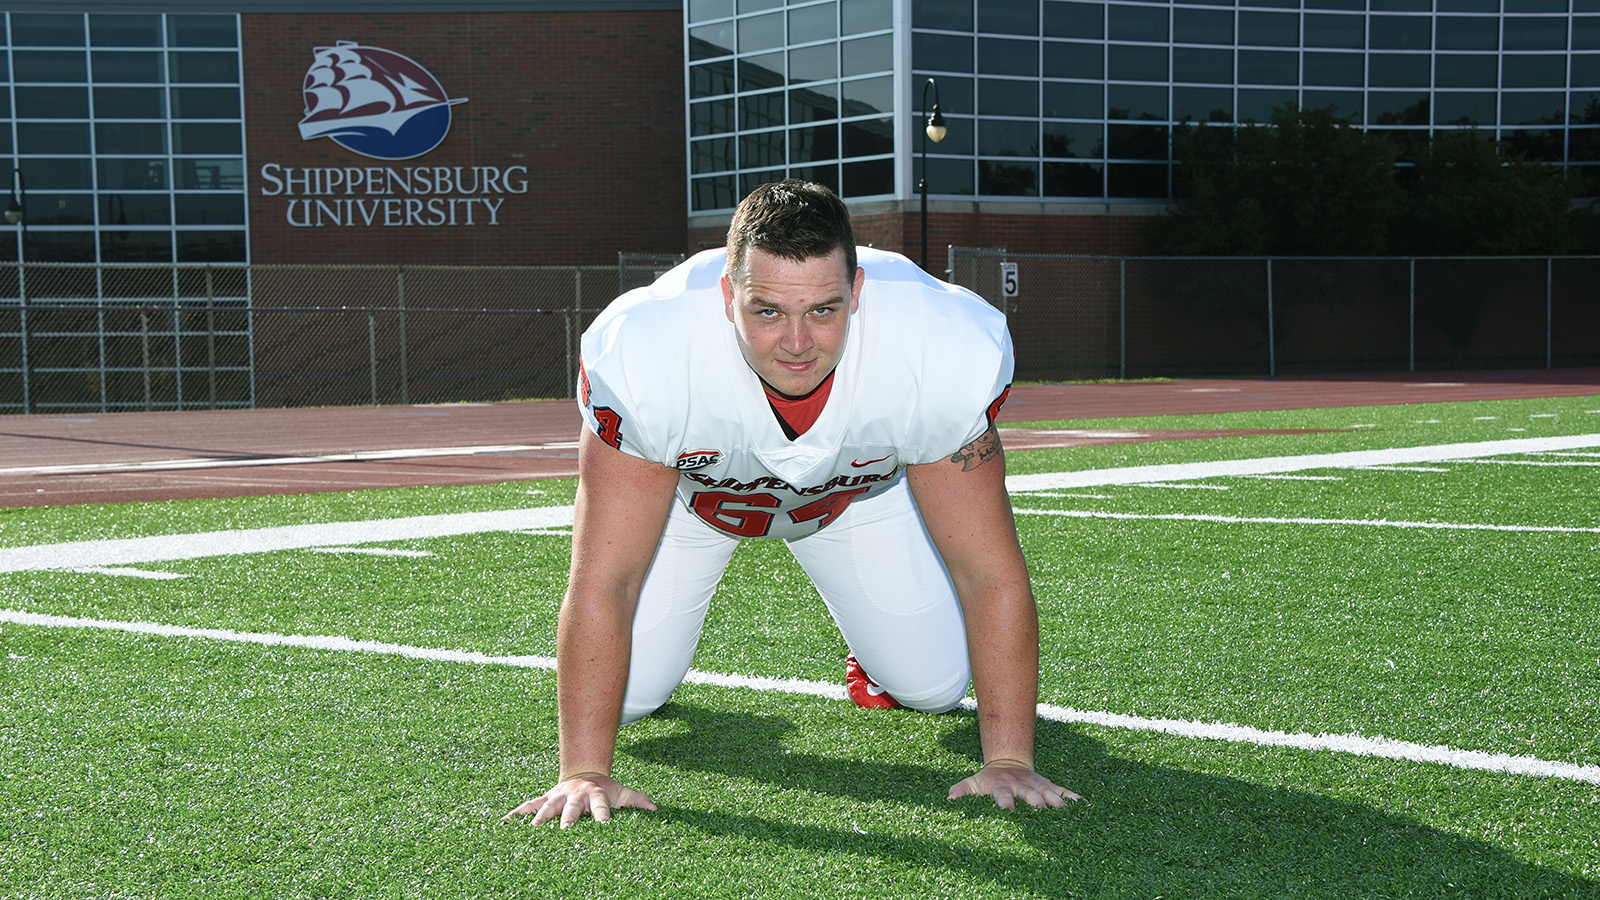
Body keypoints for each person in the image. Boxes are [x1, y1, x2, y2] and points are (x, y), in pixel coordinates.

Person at [505, 179, 1080, 828]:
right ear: (728, 297)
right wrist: (583, 770)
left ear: (858, 294)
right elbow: (606, 579)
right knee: (630, 700)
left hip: (850, 501)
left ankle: (873, 656)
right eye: (768, 311)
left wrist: (1008, 757)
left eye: (824, 310)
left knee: (934, 688)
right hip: (694, 506)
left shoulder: (934, 345)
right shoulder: (650, 353)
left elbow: (989, 573)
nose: (798, 342)